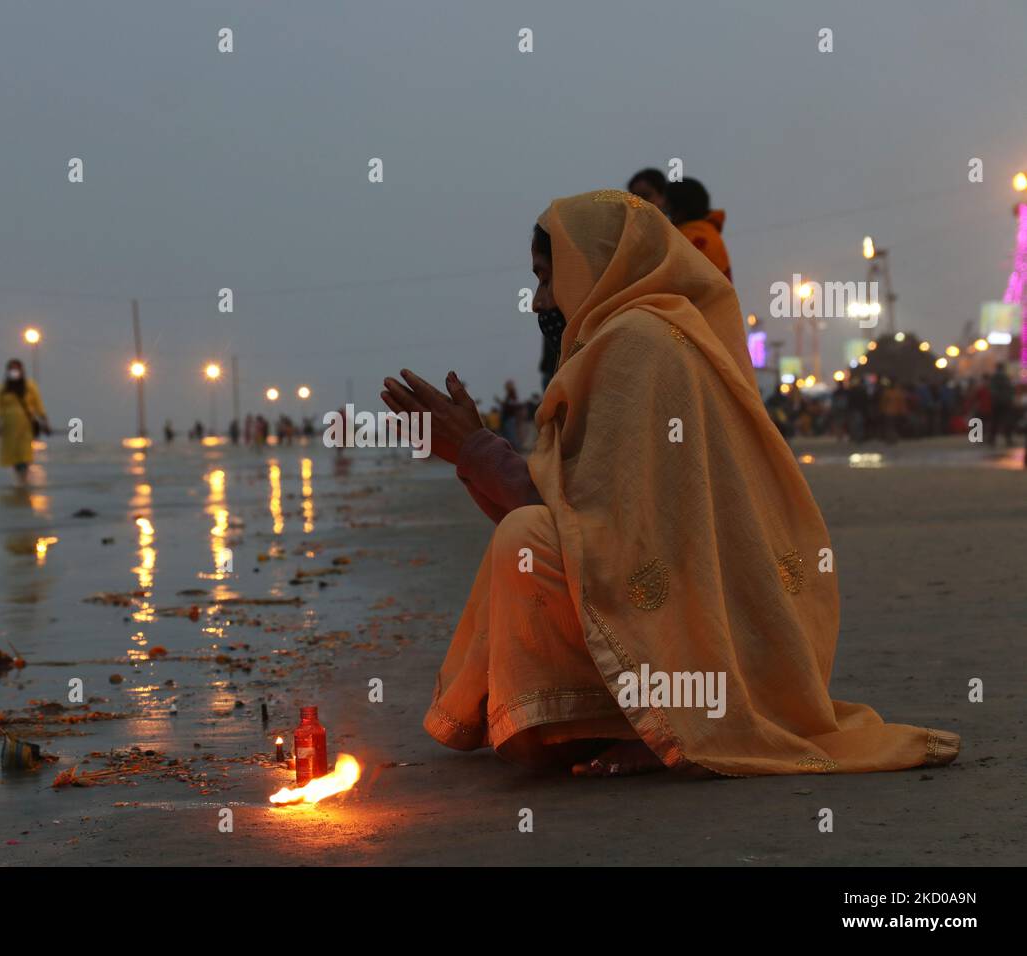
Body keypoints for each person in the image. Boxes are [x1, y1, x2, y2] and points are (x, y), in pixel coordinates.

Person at [380, 189, 958, 778]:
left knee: (525, 540)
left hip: (701, 614)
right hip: (697, 598)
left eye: (548, 278)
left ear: (594, 268)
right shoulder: (638, 335)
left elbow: (596, 529)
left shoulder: (637, 343)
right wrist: (472, 451)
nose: (539, 300)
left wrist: (475, 450)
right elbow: (584, 512)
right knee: (530, 535)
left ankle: (642, 722)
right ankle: (608, 718)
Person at [665, 177, 732, 282]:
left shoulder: (688, 238)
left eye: (667, 206)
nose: (665, 213)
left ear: (679, 208)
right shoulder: (708, 232)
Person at [0, 358, 47, 483]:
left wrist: (45, 421)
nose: (14, 371)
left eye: (16, 369)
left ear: (22, 370)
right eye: (11, 369)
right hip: (9, 428)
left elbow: (38, 405)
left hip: (25, 427)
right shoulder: (3, 389)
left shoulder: (30, 386)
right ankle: (21, 481)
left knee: (24, 455)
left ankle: (24, 481)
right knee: (14, 457)